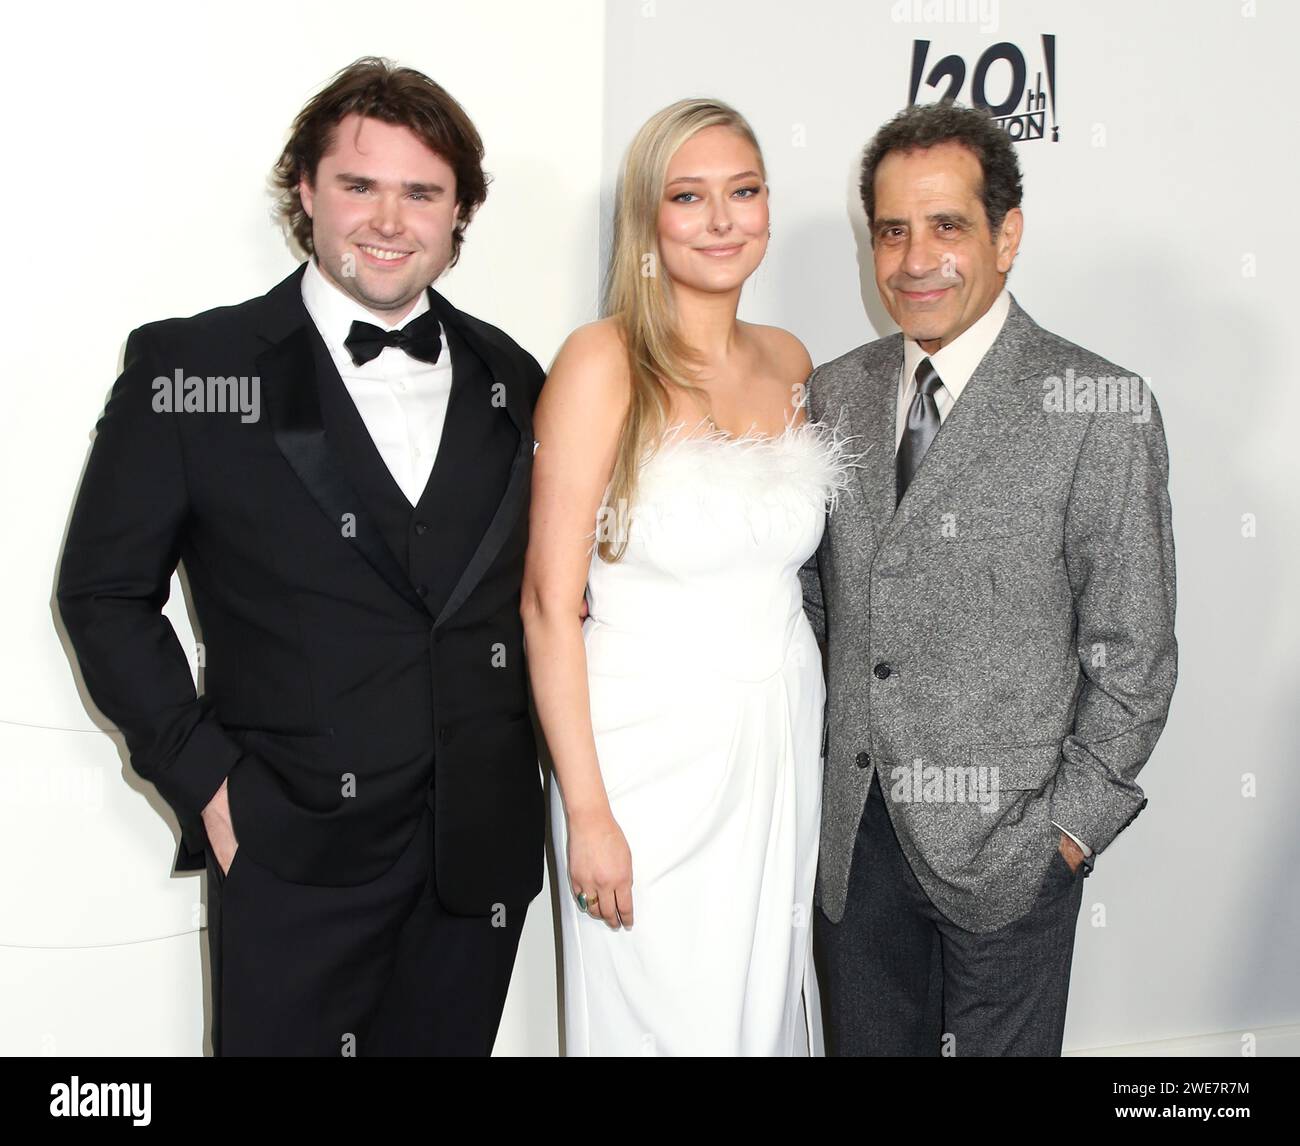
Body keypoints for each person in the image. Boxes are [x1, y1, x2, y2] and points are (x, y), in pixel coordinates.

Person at [56, 57, 546, 1056]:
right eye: (359, 185)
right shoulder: (194, 370)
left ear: (460, 214)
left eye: (422, 192)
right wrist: (209, 783)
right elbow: (103, 594)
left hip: (477, 860)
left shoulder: (516, 375)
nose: (388, 219)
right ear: (305, 193)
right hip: (288, 846)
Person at [802, 100, 1178, 1056]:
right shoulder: (835, 393)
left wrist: (1065, 837)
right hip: (855, 854)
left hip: (1012, 856)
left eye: (946, 226)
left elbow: (1133, 652)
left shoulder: (1098, 406)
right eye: (892, 231)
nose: (914, 259)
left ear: (1007, 236)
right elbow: (816, 598)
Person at [522, 98, 854, 1056]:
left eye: (743, 192)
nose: (721, 220)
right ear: (647, 221)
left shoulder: (790, 361)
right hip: (644, 759)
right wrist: (587, 812)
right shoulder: (600, 363)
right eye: (688, 196)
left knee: (762, 1009)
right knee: (662, 1018)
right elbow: (548, 602)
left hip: (780, 736)